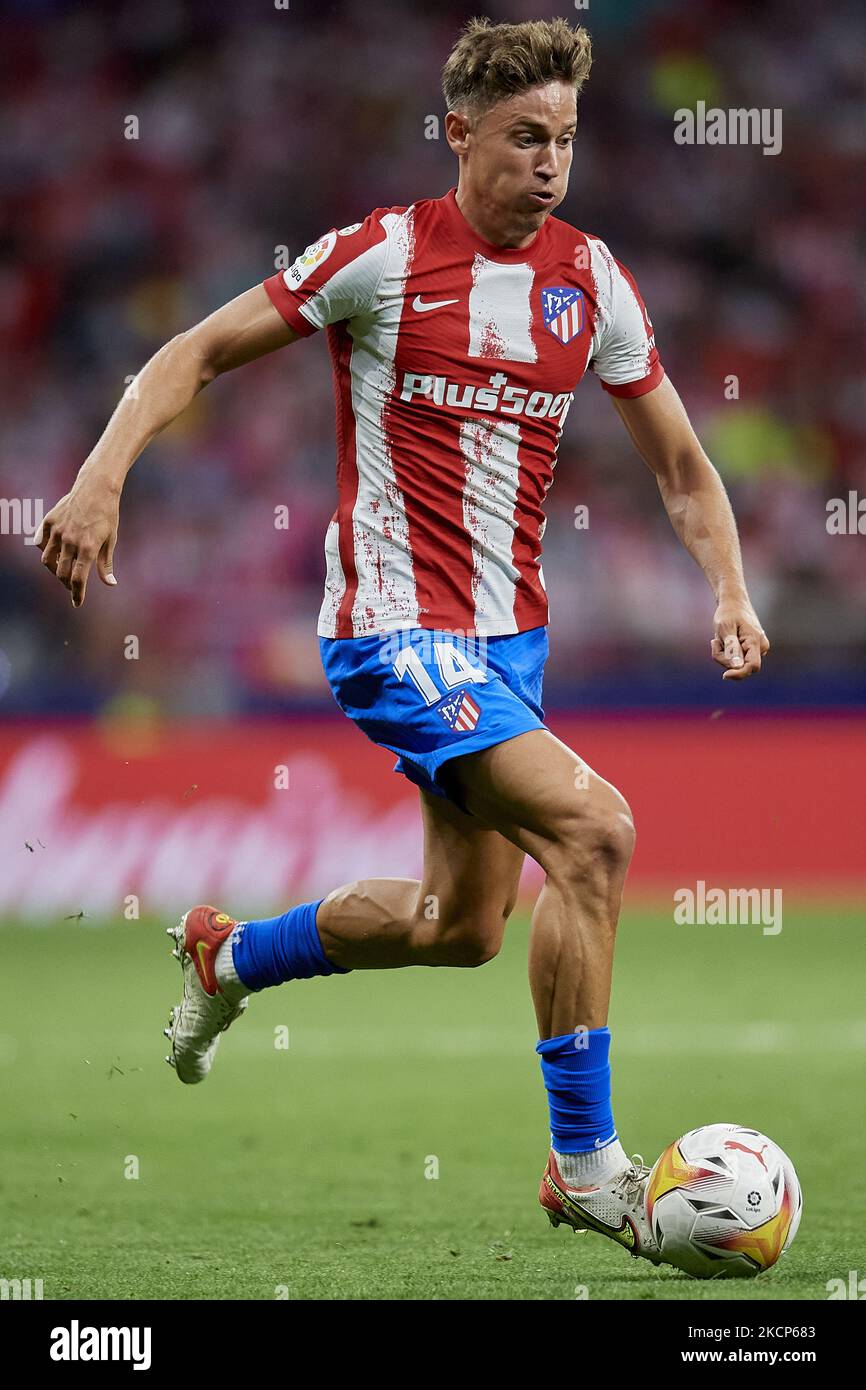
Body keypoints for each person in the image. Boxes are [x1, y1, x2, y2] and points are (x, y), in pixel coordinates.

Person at [37, 17, 768, 1266]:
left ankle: (228, 959)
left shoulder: (588, 282)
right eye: (526, 137)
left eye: (567, 141)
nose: (549, 163)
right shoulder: (378, 255)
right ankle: (586, 1165)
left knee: (461, 926)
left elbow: (685, 469)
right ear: (460, 133)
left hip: (506, 642)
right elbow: (196, 350)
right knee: (594, 830)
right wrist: (103, 473)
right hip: (392, 626)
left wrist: (729, 588)